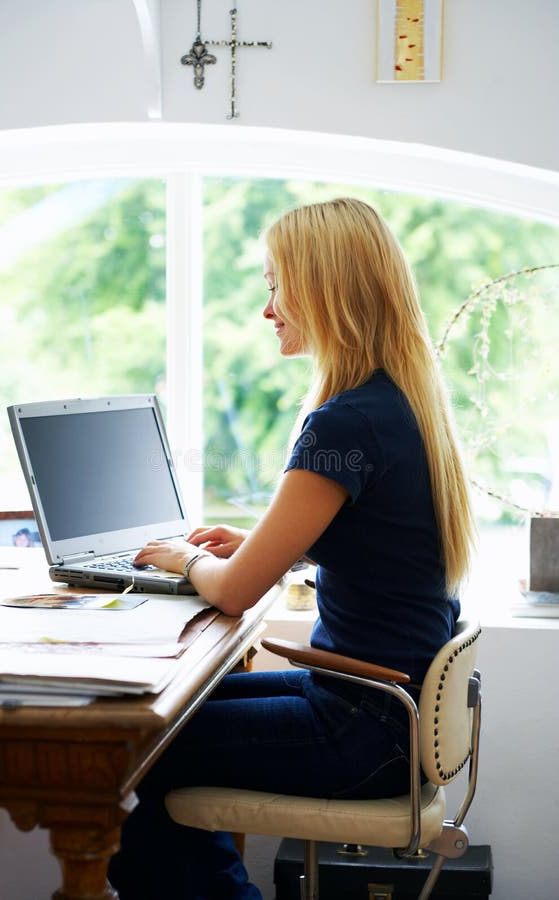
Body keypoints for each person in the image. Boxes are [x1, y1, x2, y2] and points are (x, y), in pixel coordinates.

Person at [107, 197, 475, 899]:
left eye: (277, 284)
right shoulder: (397, 402)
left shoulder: (343, 424)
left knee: (132, 748)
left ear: (325, 289)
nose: (267, 308)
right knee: (164, 718)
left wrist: (186, 559)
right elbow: (380, 543)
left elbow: (235, 592)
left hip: (361, 724)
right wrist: (261, 545)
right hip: (382, 708)